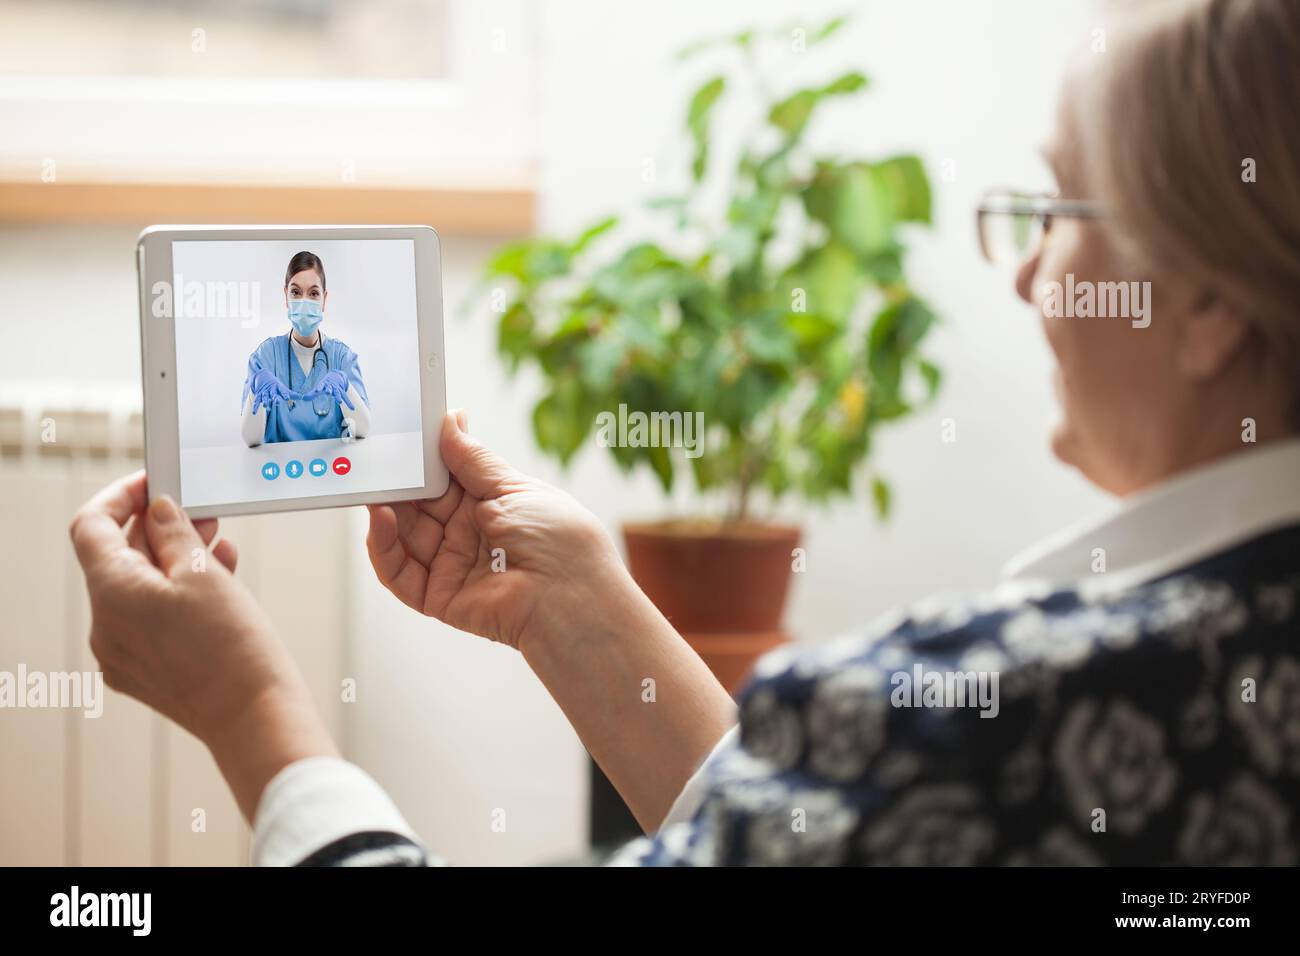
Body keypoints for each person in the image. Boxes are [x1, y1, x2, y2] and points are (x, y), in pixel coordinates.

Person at [70, 0, 1300, 866]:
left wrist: (250, 710)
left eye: (1059, 206)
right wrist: (581, 609)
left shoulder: (1001, 711)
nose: (1028, 272)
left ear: (1201, 299)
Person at [241, 251, 371, 446]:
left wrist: (346, 386)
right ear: (286, 296)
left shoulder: (342, 357)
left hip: (331, 470)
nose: (304, 301)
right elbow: (251, 439)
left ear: (324, 300)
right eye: (295, 292)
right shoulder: (265, 358)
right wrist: (254, 391)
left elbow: (362, 430)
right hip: (280, 471)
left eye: (313, 293)